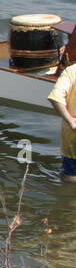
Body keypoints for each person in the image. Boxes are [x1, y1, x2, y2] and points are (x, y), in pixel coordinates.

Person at [49, 49, 76, 183]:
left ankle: (68, 202)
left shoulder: (71, 72)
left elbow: (55, 98)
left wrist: (70, 120)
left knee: (71, 178)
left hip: (73, 136)